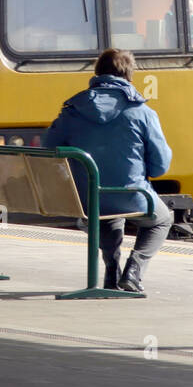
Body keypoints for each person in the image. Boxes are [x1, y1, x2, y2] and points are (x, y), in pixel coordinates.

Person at [43, 48, 173, 294]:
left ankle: (112, 270)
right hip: (132, 196)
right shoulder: (142, 112)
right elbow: (160, 167)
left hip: (85, 200)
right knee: (163, 219)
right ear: (129, 76)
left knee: (105, 209)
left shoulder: (72, 109)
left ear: (97, 73)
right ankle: (134, 271)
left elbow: (49, 150)